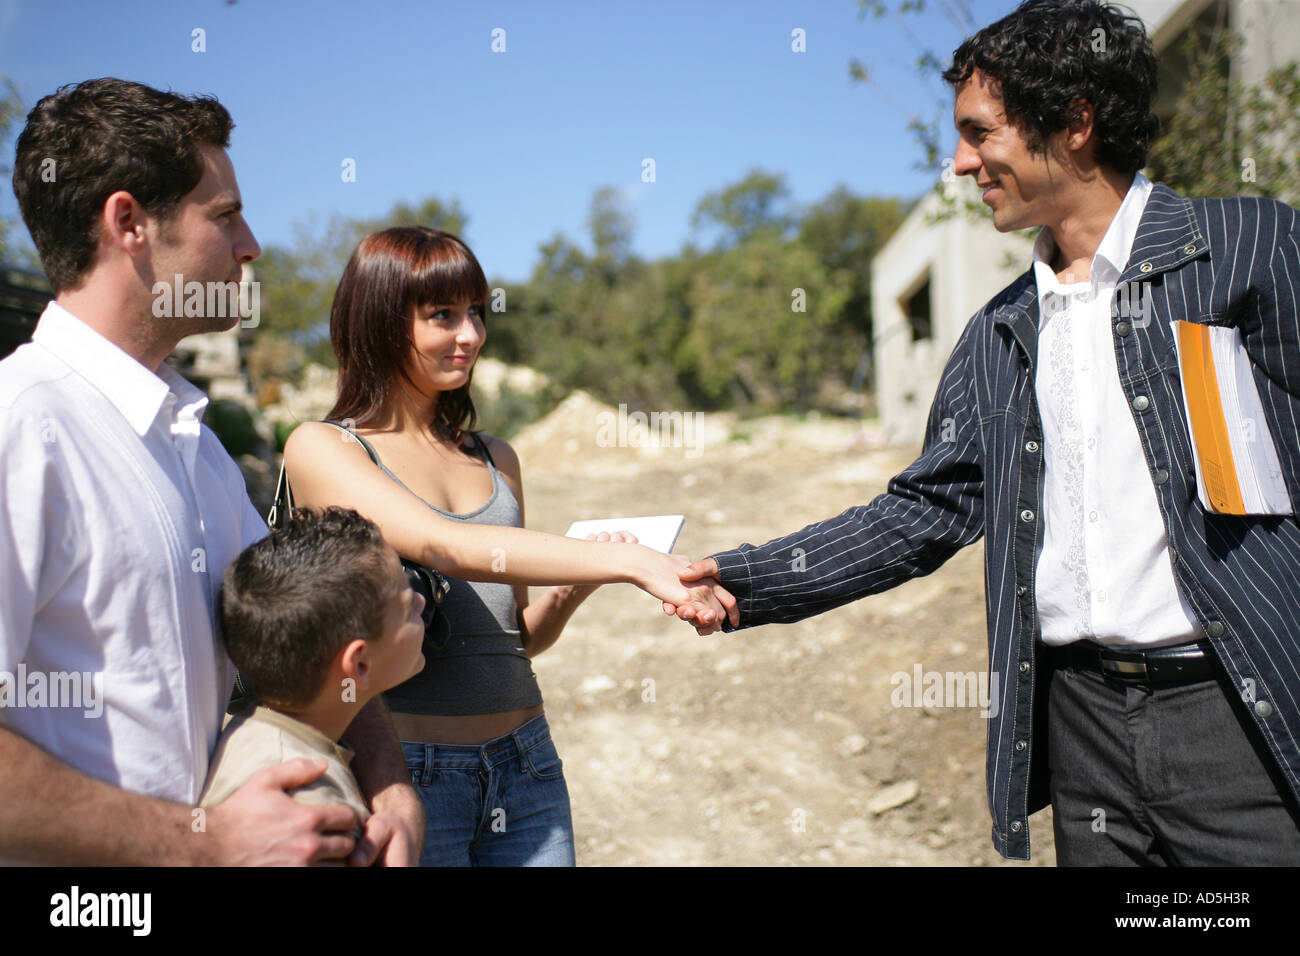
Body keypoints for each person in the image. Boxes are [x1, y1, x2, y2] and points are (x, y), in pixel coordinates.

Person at [671, 0, 1300, 865]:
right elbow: (924, 512)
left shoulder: (1249, 249)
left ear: (1075, 124)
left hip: (1238, 718)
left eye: (979, 133)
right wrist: (745, 579)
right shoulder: (1001, 332)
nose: (960, 162)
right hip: (1083, 734)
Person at [0, 78, 422, 865]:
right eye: (224, 215)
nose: (251, 244)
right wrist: (206, 843)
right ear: (128, 223)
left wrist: (389, 781)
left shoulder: (191, 441)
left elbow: (311, 635)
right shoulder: (20, 429)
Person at [282, 225, 726, 866]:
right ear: (380, 320)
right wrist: (633, 562)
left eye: (477, 313)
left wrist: (574, 586)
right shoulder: (325, 448)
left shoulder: (496, 457)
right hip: (409, 774)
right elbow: (441, 544)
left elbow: (517, 636)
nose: (471, 335)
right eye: (443, 315)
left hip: (526, 765)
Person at [201, 507, 427, 839]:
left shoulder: (253, 739)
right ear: (358, 666)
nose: (422, 602)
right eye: (408, 607)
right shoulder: (308, 807)